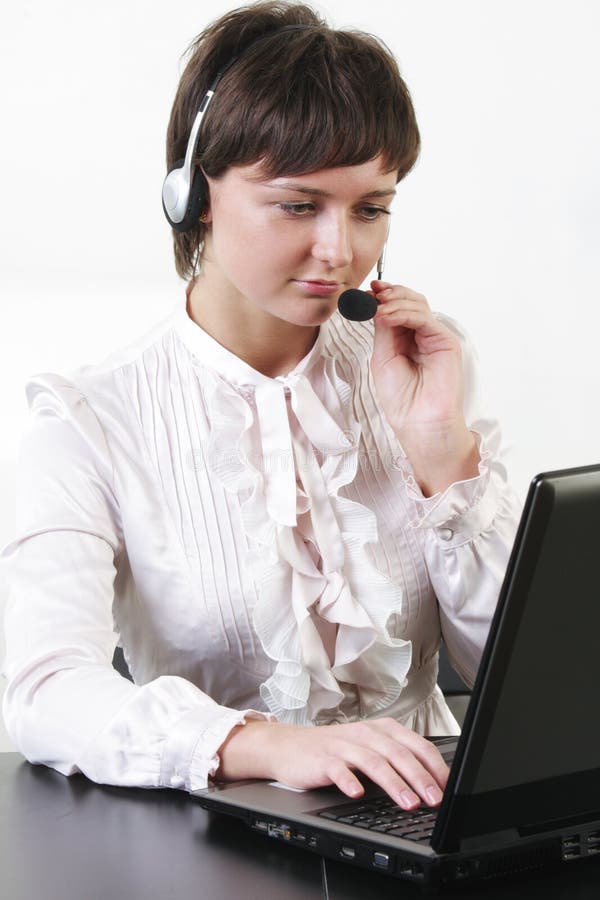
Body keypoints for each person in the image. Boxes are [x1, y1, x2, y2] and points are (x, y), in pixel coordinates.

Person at [1, 1, 520, 812]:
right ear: (195, 196)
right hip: (206, 829)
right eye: (298, 205)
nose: (340, 251)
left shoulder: (421, 369)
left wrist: (438, 450)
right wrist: (268, 744)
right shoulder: (87, 423)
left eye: (371, 208)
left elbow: (523, 681)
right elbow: (44, 692)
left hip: (426, 816)